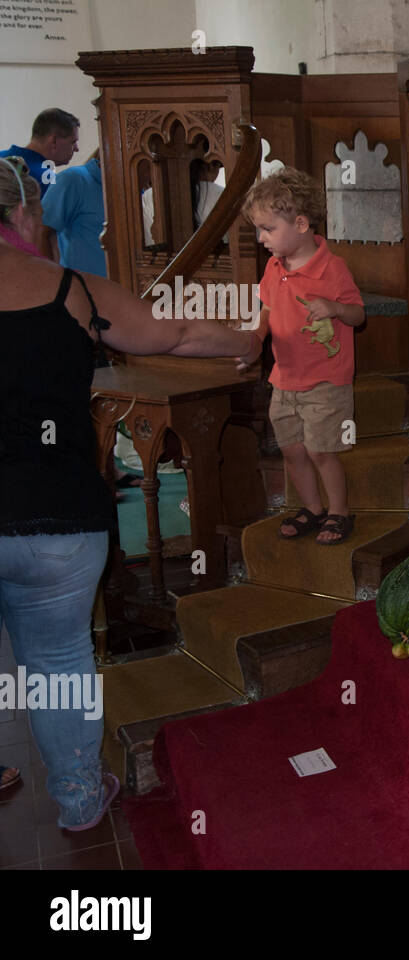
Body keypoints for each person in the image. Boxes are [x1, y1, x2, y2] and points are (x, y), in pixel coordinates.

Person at [0, 155, 261, 830]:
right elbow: (174, 333)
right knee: (58, 661)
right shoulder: (72, 290)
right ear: (24, 214)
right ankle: (82, 800)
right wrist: (249, 342)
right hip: (56, 513)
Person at [236, 168, 364, 546]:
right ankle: (313, 508)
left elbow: (359, 314)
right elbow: (266, 311)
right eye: (259, 229)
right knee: (293, 452)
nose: (261, 238)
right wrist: (256, 339)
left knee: (321, 451)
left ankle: (339, 513)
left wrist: (335, 308)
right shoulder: (274, 267)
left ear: (302, 224)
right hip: (284, 378)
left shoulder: (333, 268)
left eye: (267, 229)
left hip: (326, 379)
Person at [1, 107, 79, 261]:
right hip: (23, 259)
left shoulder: (2, 159)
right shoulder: (47, 177)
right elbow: (45, 232)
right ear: (54, 141)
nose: (76, 149)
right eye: (73, 142)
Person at [41, 148, 107, 277]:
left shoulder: (135, 187)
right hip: (81, 289)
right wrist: (53, 281)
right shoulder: (72, 179)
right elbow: (41, 232)